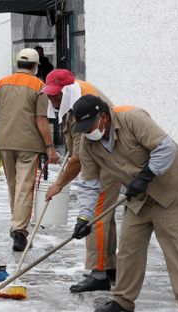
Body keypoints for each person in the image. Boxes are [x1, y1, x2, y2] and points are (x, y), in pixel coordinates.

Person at [71, 94, 178, 312]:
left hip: (170, 190)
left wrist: (146, 176)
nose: (87, 132)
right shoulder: (88, 143)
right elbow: (90, 184)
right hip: (137, 197)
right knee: (129, 248)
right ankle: (123, 300)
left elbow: (165, 147)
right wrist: (84, 217)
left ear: (103, 117)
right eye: (82, 128)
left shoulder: (132, 118)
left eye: (89, 125)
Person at [0, 48, 59, 251]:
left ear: (17, 64)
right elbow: (40, 119)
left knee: (14, 186)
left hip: (5, 142)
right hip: (28, 144)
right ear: (36, 65)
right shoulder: (39, 85)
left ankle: (16, 226)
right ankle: (20, 232)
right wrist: (50, 147)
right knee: (24, 188)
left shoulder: (3, 82)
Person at [42, 69, 119, 292]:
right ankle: (110, 267)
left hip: (105, 163)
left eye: (56, 96)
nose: (52, 100)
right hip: (101, 160)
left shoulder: (83, 107)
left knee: (95, 215)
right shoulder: (71, 97)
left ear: (66, 91)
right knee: (105, 216)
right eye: (49, 95)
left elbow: (78, 159)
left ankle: (99, 273)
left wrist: (58, 184)